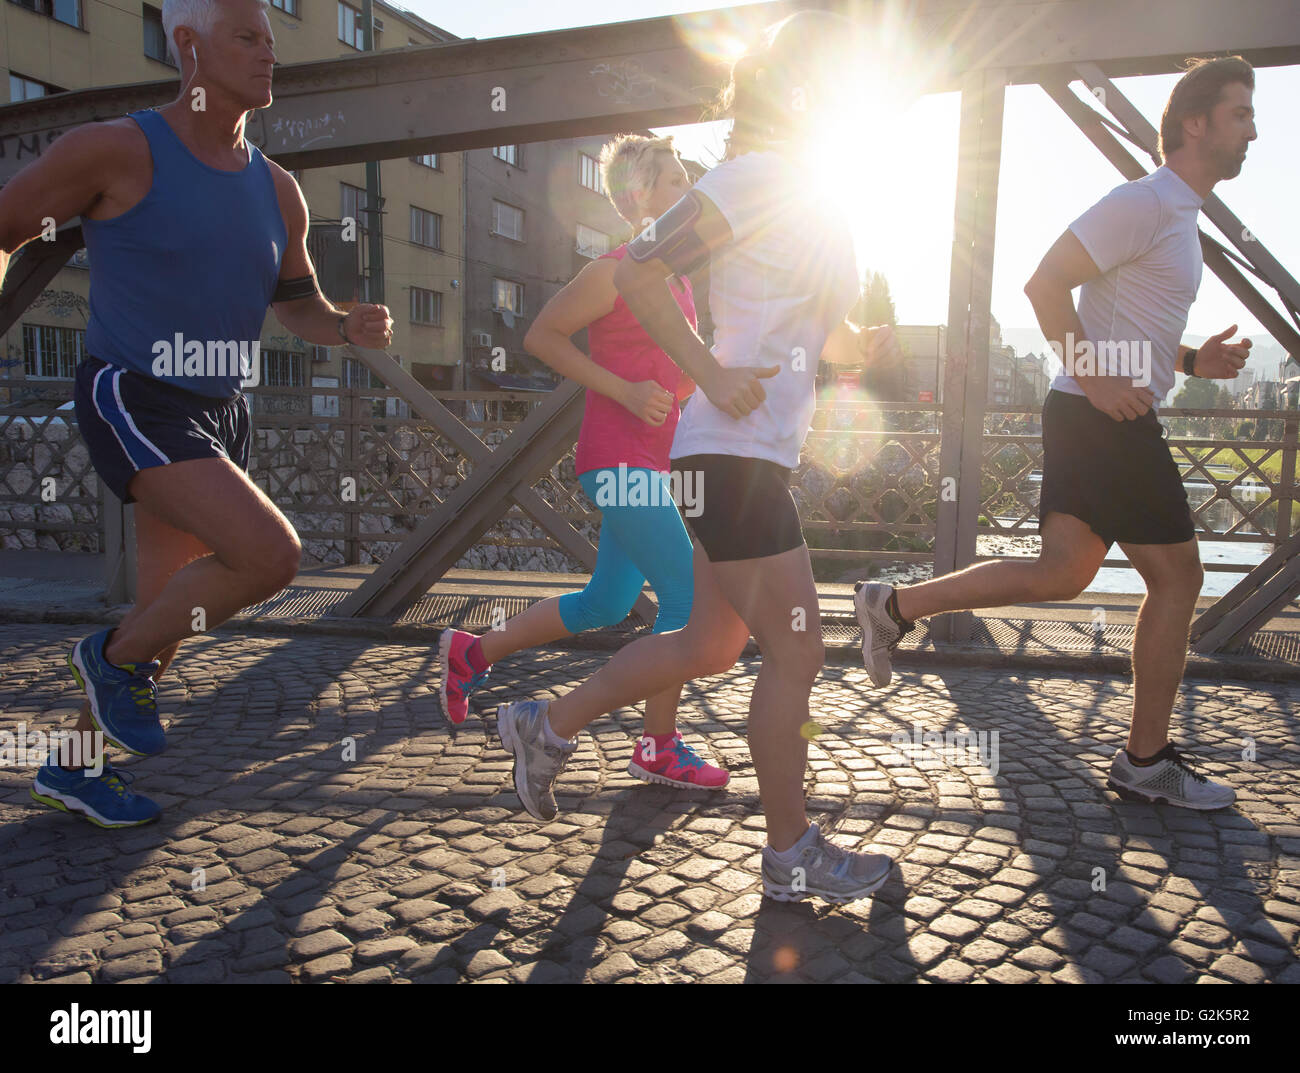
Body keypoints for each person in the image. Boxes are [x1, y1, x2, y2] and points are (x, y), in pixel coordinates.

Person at [496, 10, 903, 903]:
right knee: (800, 652)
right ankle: (792, 854)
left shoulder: (800, 189)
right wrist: (710, 372)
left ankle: (544, 724)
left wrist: (852, 345)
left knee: (710, 641)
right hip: (732, 457)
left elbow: (804, 327)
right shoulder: (755, 177)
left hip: (747, 453)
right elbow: (641, 272)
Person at [0, 0, 392, 826]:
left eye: (270, 42)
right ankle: (101, 658)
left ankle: (74, 767)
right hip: (134, 393)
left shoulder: (278, 189)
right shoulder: (116, 148)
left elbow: (300, 303)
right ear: (188, 45)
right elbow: (5, 228)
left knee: (163, 614)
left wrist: (344, 328)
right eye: (247, 37)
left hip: (221, 407)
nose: (267, 55)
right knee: (270, 556)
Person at [855, 56, 1255, 811]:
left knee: (1061, 573)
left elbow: (1125, 323)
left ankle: (895, 605)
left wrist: (1192, 357)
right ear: (1196, 123)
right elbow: (1043, 283)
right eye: (1241, 115)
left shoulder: (1175, 216)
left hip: (1090, 413)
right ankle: (1146, 759)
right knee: (1180, 580)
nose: (1254, 131)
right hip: (1104, 417)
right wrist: (1099, 379)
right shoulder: (1144, 202)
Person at [439, 134, 727, 790]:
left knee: (607, 600)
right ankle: (658, 745)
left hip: (652, 461)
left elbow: (674, 374)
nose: (691, 191)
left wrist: (711, 380)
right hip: (617, 459)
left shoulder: (677, 280)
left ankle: (472, 651)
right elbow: (540, 335)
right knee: (686, 595)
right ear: (636, 198)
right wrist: (625, 391)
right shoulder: (614, 269)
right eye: (676, 180)